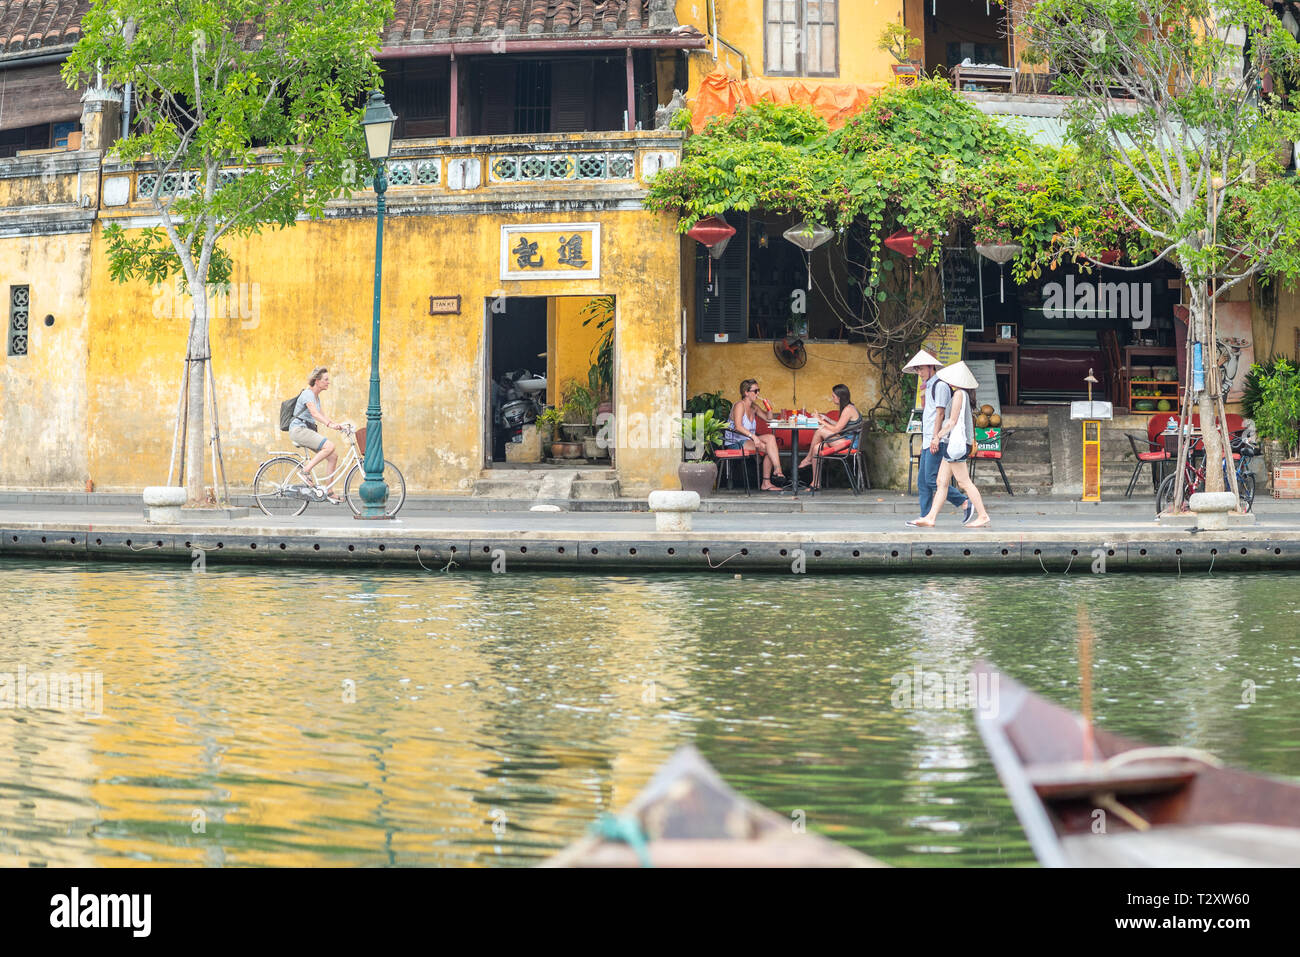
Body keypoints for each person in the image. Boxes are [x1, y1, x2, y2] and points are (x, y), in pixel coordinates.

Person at [910, 361, 990, 528]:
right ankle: (930, 517)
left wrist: (936, 437)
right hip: (953, 443)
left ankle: (982, 515)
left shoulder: (959, 394)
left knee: (964, 482)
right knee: (941, 482)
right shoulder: (960, 394)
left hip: (956, 444)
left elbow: (951, 421)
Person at [902, 349, 972, 526]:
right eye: (917, 370)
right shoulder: (930, 386)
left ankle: (963, 501)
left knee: (933, 480)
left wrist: (935, 438)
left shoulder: (940, 386)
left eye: (921, 369)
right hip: (929, 440)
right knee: (923, 481)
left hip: (938, 440)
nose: (919, 373)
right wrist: (926, 441)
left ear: (930, 366)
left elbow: (940, 414)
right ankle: (925, 516)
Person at [290, 366, 345, 503]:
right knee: (329, 446)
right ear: (317, 381)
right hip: (298, 430)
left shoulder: (316, 397)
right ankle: (305, 470)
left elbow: (322, 415)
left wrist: (337, 425)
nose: (328, 382)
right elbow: (314, 413)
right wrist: (329, 424)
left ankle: (329, 491)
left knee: (333, 456)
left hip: (305, 430)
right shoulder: (308, 394)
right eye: (326, 380)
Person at [724, 379, 787, 491]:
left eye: (758, 390)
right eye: (755, 391)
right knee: (770, 449)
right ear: (746, 393)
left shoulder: (754, 407)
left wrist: (768, 407)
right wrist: (754, 437)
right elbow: (738, 427)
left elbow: (768, 419)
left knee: (771, 438)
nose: (758, 394)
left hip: (748, 441)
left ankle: (777, 472)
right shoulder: (739, 405)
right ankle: (770, 479)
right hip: (735, 442)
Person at [799, 384, 861, 489]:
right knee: (816, 448)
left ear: (840, 397)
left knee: (820, 430)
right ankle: (815, 483)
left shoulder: (848, 410)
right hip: (845, 441)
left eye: (833, 396)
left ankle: (808, 458)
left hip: (850, 444)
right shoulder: (848, 407)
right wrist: (827, 419)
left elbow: (836, 430)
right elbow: (840, 425)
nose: (832, 399)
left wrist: (821, 421)